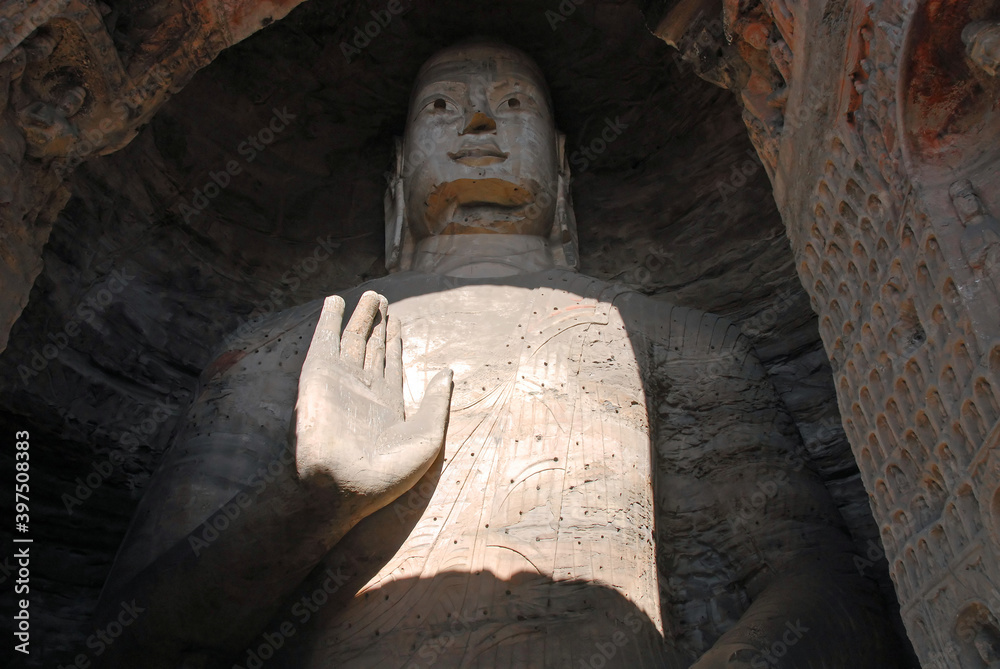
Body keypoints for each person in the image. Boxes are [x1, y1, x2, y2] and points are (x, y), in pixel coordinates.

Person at [93, 40, 900, 668]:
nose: (478, 126)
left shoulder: (672, 335)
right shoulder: (285, 347)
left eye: (510, 104)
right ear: (399, 170)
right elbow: (119, 644)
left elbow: (828, 592)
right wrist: (311, 499)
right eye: (443, 105)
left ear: (560, 165)